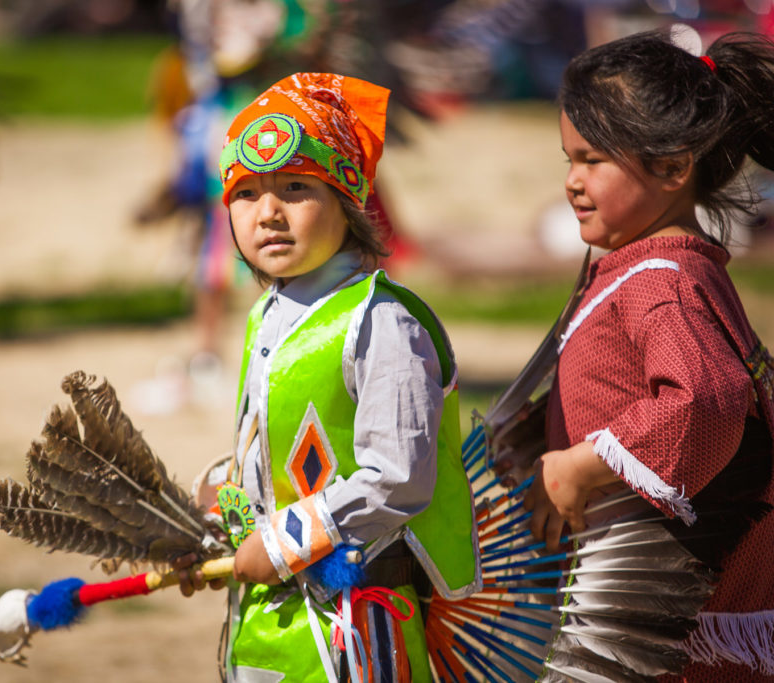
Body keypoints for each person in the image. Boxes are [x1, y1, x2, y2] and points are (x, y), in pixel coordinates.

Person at [175, 72, 480, 682]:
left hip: (358, 629)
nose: (268, 213)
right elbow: (274, 457)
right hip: (270, 620)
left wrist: (283, 541)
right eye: (245, 193)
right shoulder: (266, 316)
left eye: (295, 187)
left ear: (348, 201)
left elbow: (398, 476)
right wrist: (220, 519)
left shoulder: (382, 321)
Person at [521, 30, 774, 681]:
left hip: (683, 633)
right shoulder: (651, 269)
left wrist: (582, 465)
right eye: (569, 159)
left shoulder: (663, 281)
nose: (572, 182)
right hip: (663, 608)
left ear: (671, 167)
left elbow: (707, 400)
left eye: (594, 160)